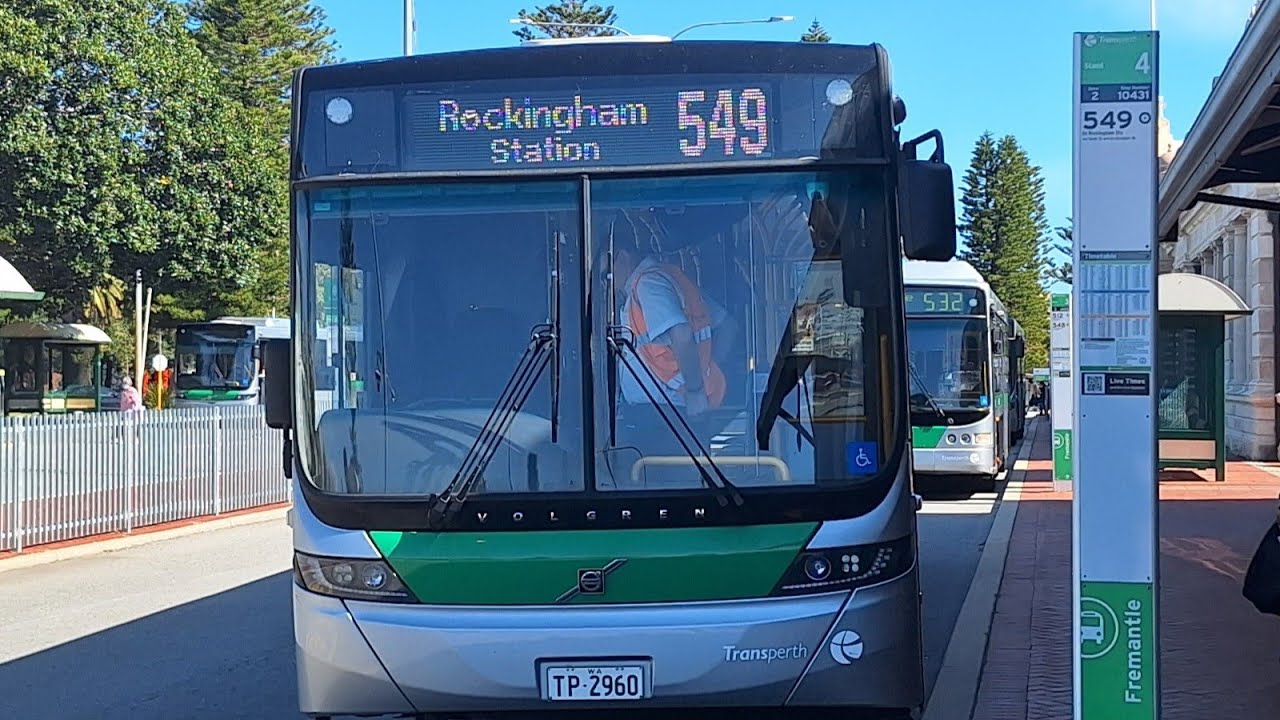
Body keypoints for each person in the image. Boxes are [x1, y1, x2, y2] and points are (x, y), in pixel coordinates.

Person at [602, 213, 739, 443]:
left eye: (605, 273)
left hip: (660, 417)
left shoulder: (648, 285)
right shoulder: (668, 278)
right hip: (674, 411)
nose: (606, 281)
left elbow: (682, 334)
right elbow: (728, 326)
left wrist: (696, 390)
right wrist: (706, 370)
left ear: (621, 257)